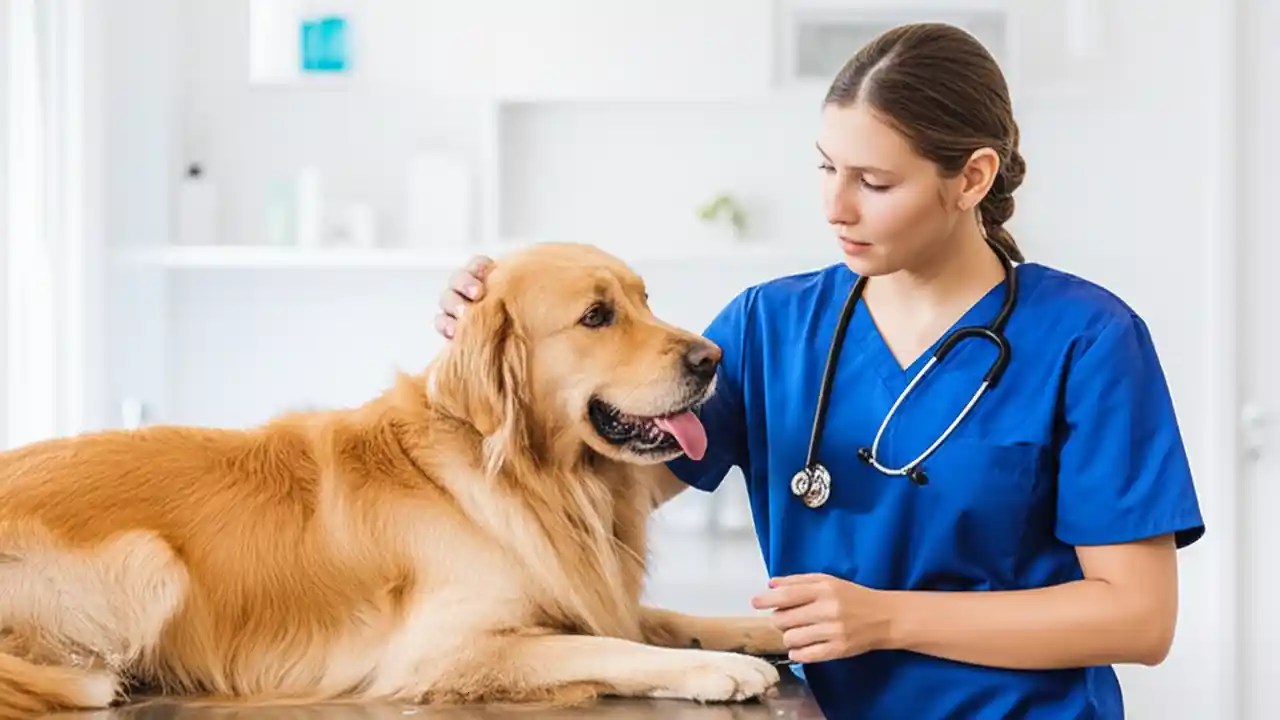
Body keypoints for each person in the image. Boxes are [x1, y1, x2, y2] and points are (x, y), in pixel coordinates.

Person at [433, 22, 1204, 720]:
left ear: (971, 179)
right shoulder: (771, 327)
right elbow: (589, 492)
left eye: (874, 182)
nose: (835, 207)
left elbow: (1137, 618)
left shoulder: (1089, 340)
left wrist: (888, 618)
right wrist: (499, 346)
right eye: (826, 167)